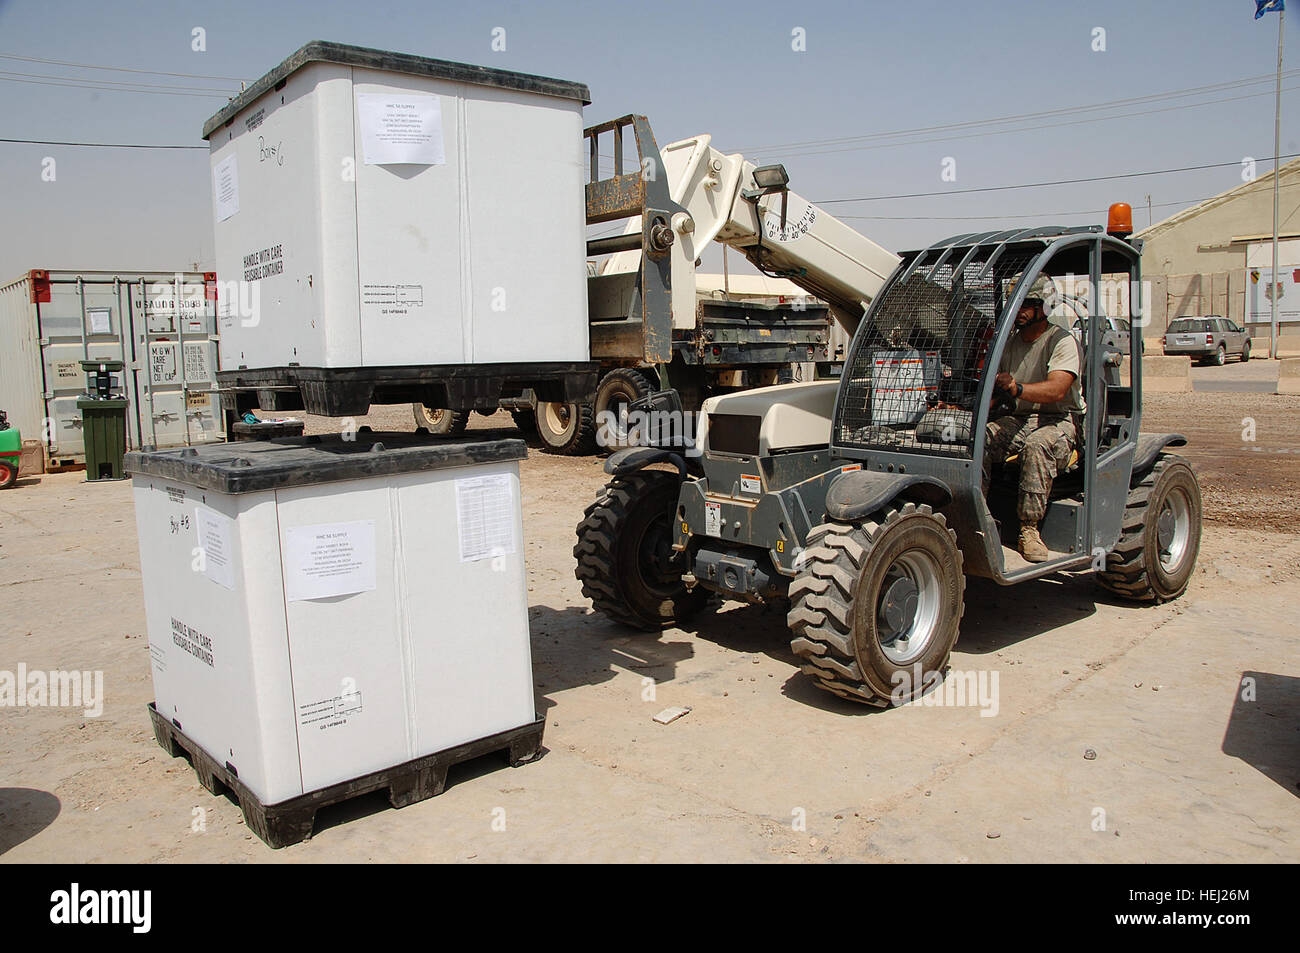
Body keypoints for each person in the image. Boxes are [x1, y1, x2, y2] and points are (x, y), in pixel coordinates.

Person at [982, 287, 1086, 562]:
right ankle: (980, 517)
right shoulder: (1010, 343)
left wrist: (1017, 389)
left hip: (1060, 420)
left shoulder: (1062, 341)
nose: (1020, 310)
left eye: (1028, 304)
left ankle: (1029, 529)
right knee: (979, 438)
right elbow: (997, 389)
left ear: (1045, 308)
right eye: (1017, 304)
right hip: (1019, 418)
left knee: (1038, 445)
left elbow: (1057, 391)